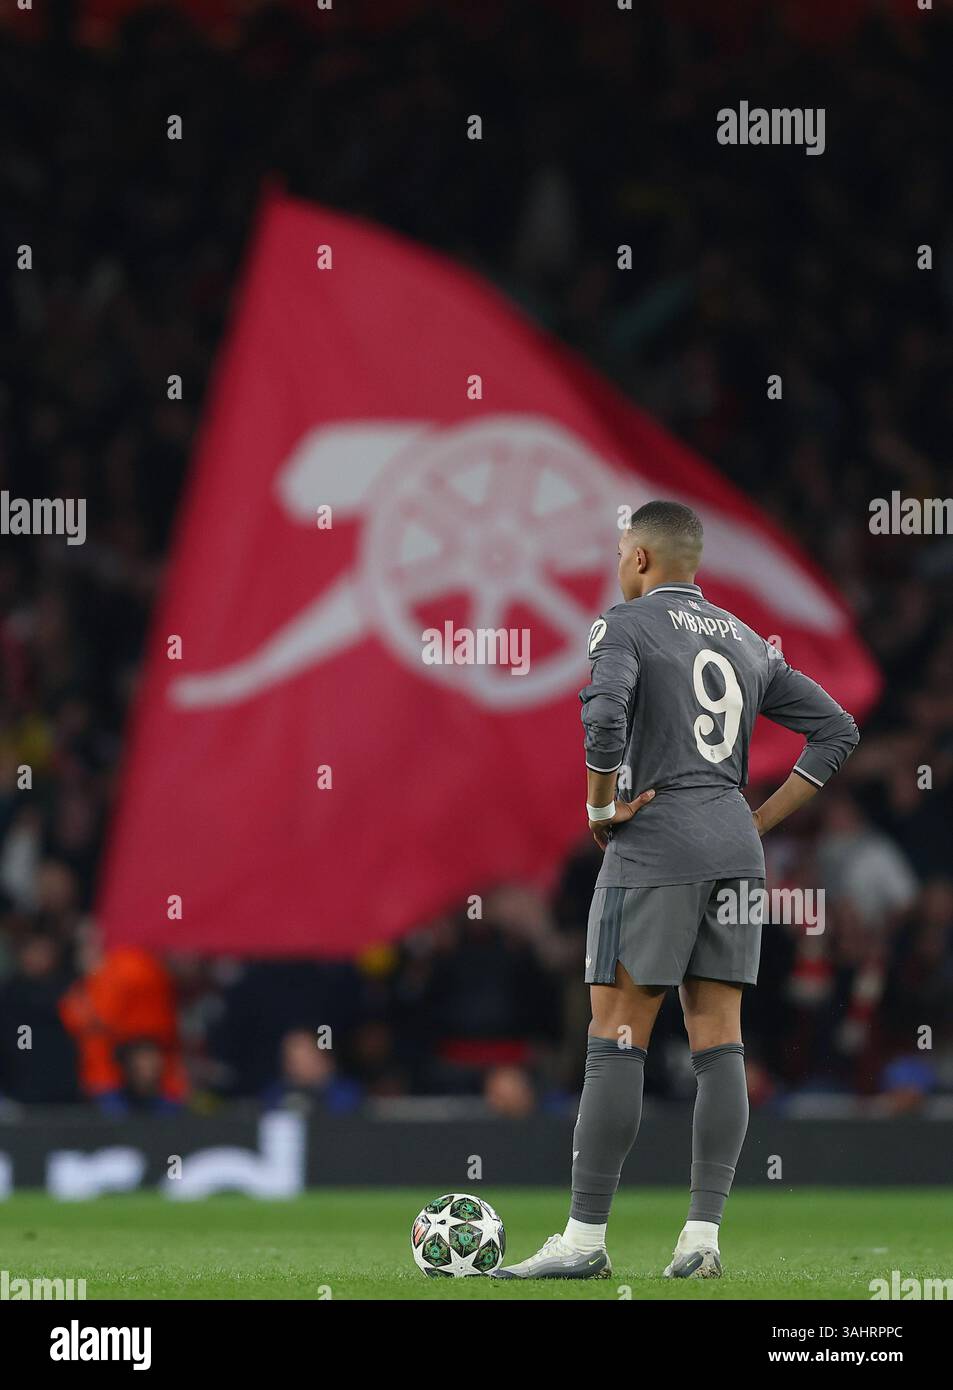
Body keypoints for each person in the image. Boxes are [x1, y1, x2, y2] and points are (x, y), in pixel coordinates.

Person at [493, 500, 859, 1280]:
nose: (619, 562)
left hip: (655, 843)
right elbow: (837, 729)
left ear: (642, 560)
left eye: (623, 551)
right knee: (718, 1039)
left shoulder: (623, 626)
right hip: (732, 850)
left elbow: (602, 718)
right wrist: (754, 818)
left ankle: (584, 1241)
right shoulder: (747, 641)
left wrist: (598, 806)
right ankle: (700, 1238)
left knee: (615, 1037)